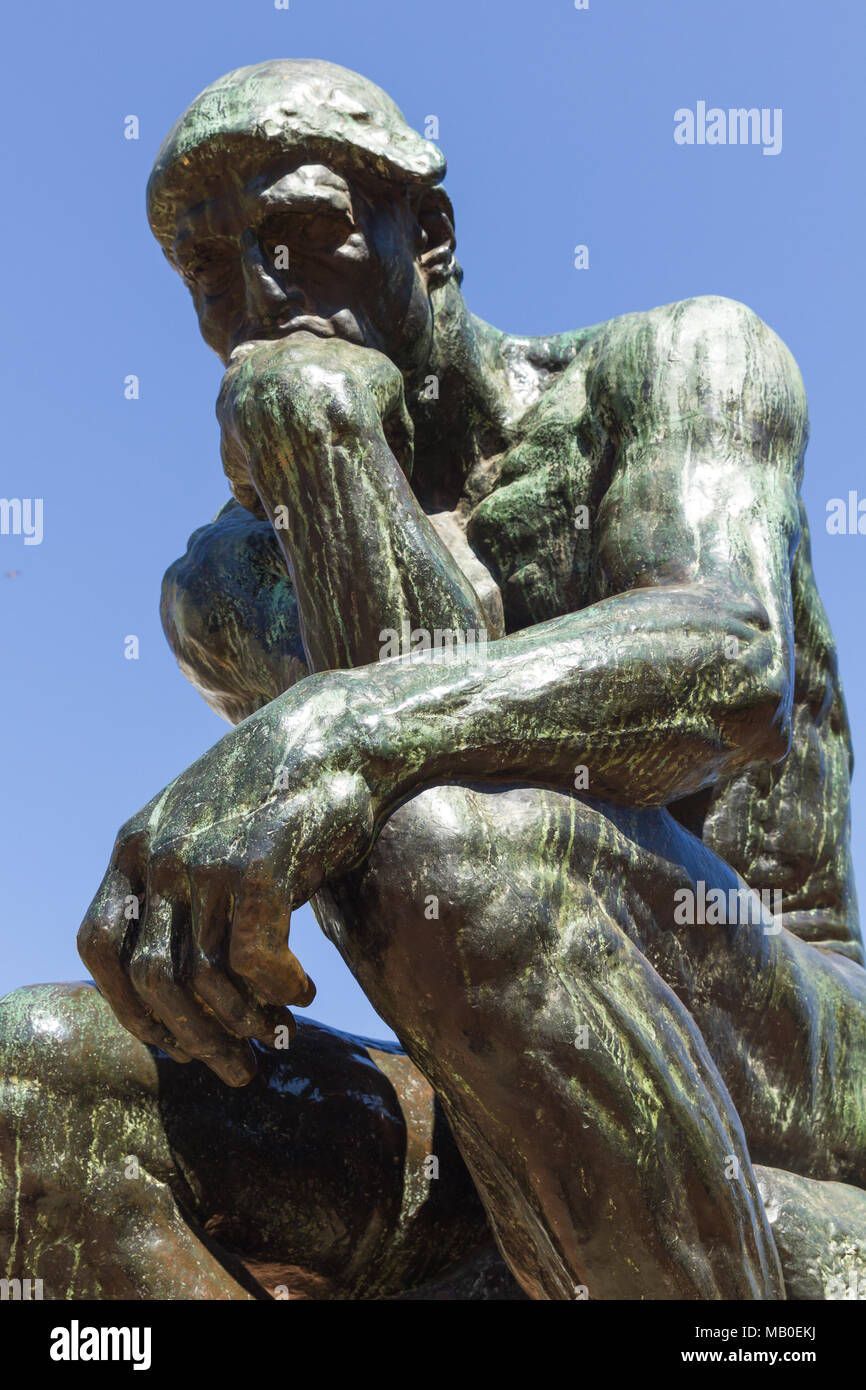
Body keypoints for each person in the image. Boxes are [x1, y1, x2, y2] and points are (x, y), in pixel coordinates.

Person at [4, 60, 865, 1300]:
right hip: (495, 1090)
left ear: (433, 236)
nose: (262, 297)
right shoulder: (226, 586)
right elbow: (403, 742)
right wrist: (319, 436)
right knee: (31, 1082)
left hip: (781, 1021)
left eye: (303, 233)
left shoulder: (677, 364)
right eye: (211, 272)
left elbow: (725, 666)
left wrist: (338, 725)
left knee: (449, 849)